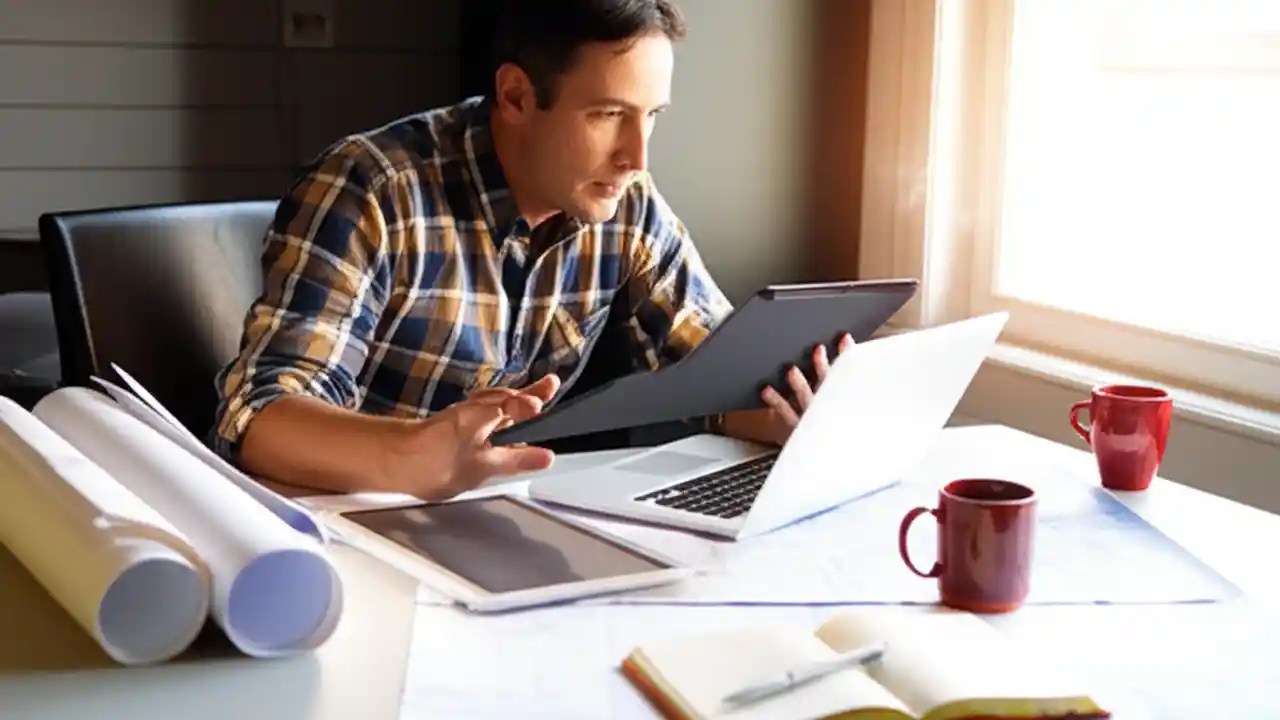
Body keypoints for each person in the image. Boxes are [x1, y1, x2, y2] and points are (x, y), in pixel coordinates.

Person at [211, 0, 851, 500]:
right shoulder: (372, 189)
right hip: (358, 525)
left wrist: (781, 408)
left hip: (513, 524)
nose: (636, 156)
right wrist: (412, 453)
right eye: (606, 115)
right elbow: (260, 420)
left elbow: (713, 374)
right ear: (516, 96)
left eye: (652, 115)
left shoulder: (624, 200)